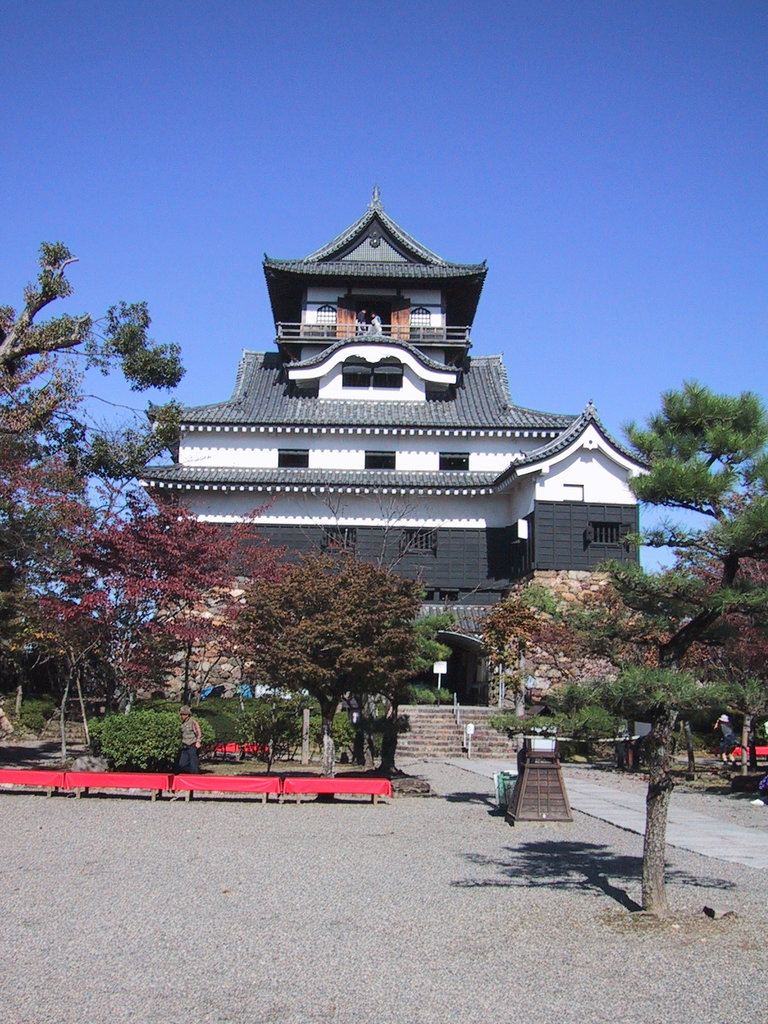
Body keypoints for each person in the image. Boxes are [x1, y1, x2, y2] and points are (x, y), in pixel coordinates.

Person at [178, 705, 202, 774]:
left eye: (183, 714)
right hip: (185, 745)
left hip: (192, 745)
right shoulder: (182, 723)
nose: (182, 716)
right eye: (181, 714)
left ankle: (194, 777)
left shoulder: (193, 722)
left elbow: (198, 732)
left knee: (193, 765)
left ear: (187, 715)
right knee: (182, 764)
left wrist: (198, 741)